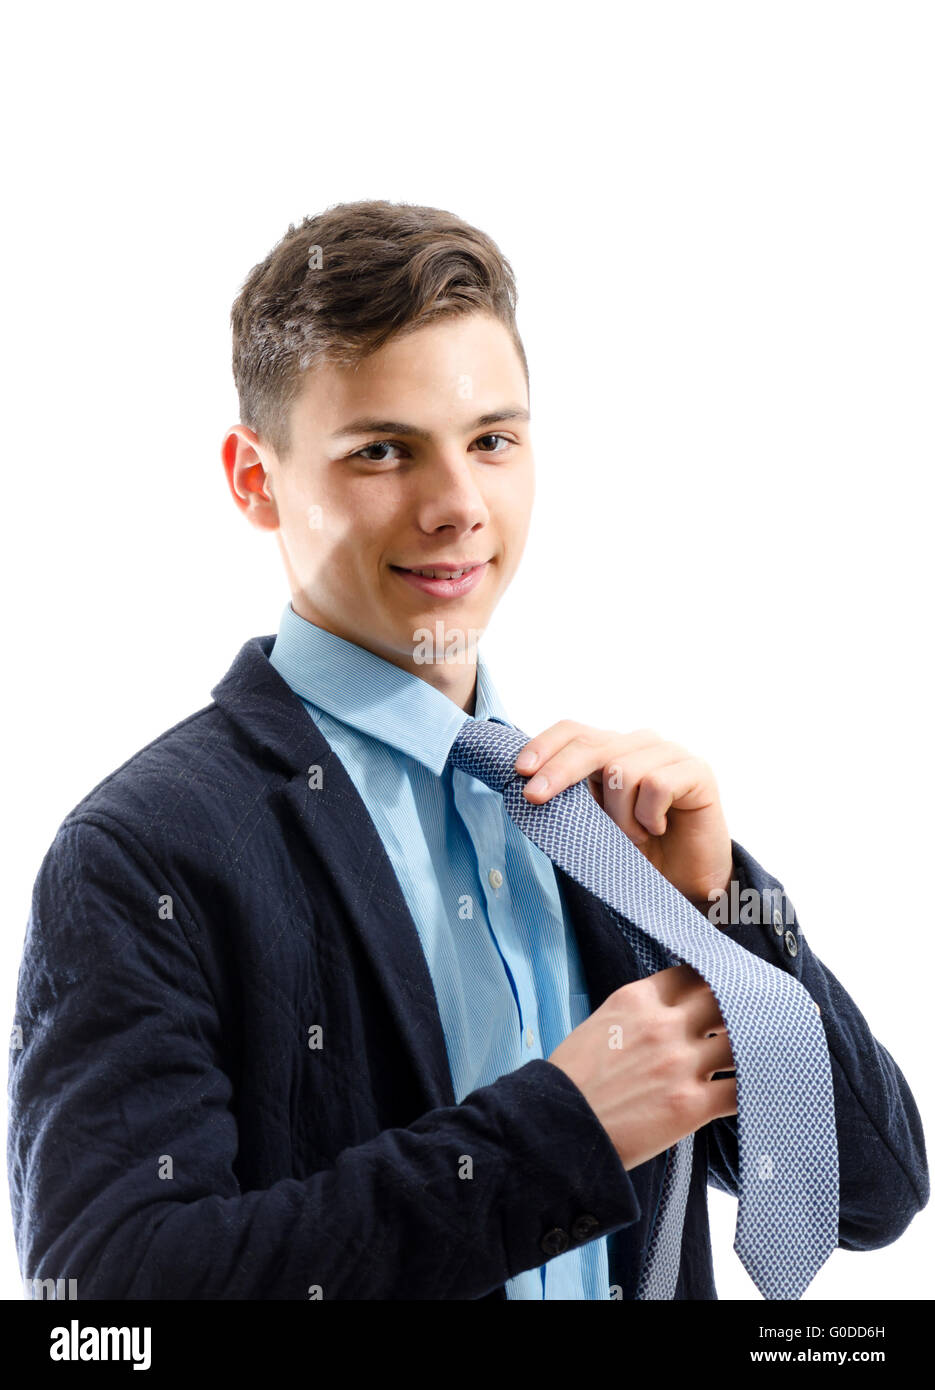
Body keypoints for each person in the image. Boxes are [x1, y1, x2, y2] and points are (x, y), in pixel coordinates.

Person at [8, 200, 928, 1300]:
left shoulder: (591, 817)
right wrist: (559, 1132)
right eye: (383, 452)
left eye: (491, 440)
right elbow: (108, 1303)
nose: (456, 505)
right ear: (256, 479)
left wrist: (720, 912)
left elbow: (861, 1196)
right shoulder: (142, 855)